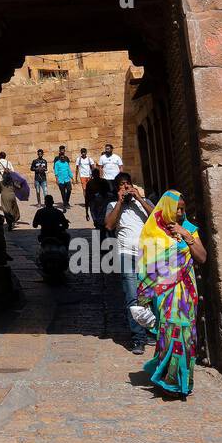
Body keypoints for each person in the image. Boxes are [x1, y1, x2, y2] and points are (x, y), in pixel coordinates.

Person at [134, 190, 206, 397]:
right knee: (170, 333)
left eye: (183, 209)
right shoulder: (154, 232)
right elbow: (147, 266)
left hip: (186, 293)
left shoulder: (190, 229)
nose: (181, 213)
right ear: (166, 209)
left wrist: (186, 236)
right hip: (165, 294)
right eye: (177, 209)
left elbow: (202, 257)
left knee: (186, 334)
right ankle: (169, 378)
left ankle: (183, 381)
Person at [104, 172, 154, 354]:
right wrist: (119, 202)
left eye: (127, 184)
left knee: (149, 296)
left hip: (148, 253)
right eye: (121, 185)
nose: (125, 187)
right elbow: (109, 225)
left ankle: (150, 332)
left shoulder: (144, 202)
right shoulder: (112, 205)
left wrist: (139, 199)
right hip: (126, 254)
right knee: (132, 296)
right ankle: (138, 338)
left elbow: (157, 219)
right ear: (117, 189)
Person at [86, 165, 109, 231]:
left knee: (98, 224)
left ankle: (98, 238)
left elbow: (87, 197)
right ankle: (100, 238)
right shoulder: (103, 181)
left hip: (98, 204)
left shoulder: (90, 183)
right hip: (99, 204)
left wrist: (86, 212)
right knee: (101, 224)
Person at [75, 147, 93, 218]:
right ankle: (87, 201)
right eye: (82, 152)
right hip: (82, 176)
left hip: (89, 176)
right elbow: (76, 168)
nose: (83, 153)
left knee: (90, 189)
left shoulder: (89, 159)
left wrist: (93, 175)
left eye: (84, 152)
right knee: (84, 189)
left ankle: (90, 201)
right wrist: (76, 177)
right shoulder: (78, 159)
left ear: (86, 152)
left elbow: (93, 167)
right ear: (81, 153)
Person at [53, 145, 72, 211]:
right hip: (60, 179)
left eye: (63, 150)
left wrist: (71, 177)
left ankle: (66, 201)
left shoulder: (66, 158)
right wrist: (56, 178)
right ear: (59, 150)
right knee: (63, 192)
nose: (62, 151)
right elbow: (55, 169)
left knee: (69, 190)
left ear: (64, 150)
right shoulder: (56, 159)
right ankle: (65, 203)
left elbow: (68, 168)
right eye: (61, 150)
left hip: (67, 178)